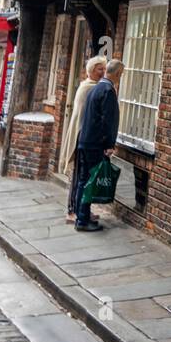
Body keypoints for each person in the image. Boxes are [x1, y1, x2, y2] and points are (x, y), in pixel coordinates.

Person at [74, 58, 124, 232]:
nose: (120, 78)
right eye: (121, 74)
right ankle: (82, 221)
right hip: (95, 143)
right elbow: (107, 121)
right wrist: (109, 144)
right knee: (89, 182)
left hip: (85, 141)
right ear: (117, 74)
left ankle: (82, 216)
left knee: (83, 181)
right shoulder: (108, 90)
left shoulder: (95, 88)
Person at [59, 56, 107, 224]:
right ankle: (73, 211)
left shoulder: (90, 86)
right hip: (82, 136)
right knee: (80, 177)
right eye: (100, 69)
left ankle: (81, 210)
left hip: (84, 135)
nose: (103, 72)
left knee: (83, 177)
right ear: (92, 71)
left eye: (104, 69)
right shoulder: (89, 88)